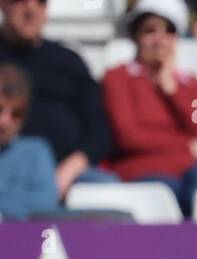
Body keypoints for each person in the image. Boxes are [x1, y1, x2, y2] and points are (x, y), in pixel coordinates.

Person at [103, 0, 197, 218]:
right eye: (150, 31)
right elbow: (129, 135)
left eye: (169, 31)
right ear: (135, 36)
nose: (160, 40)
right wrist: (186, 145)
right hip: (145, 172)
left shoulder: (192, 85)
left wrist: (171, 89)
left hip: (193, 172)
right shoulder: (118, 78)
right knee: (169, 189)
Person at [0, 0, 113, 198]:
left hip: (69, 175)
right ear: (3, 4)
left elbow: (99, 130)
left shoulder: (68, 61)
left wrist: (67, 172)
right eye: (21, 1)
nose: (31, 9)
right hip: (7, 170)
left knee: (109, 191)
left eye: (40, 2)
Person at [0, 62, 57, 218]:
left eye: (16, 114)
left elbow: (45, 204)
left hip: (24, 240)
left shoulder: (36, 151)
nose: (5, 121)